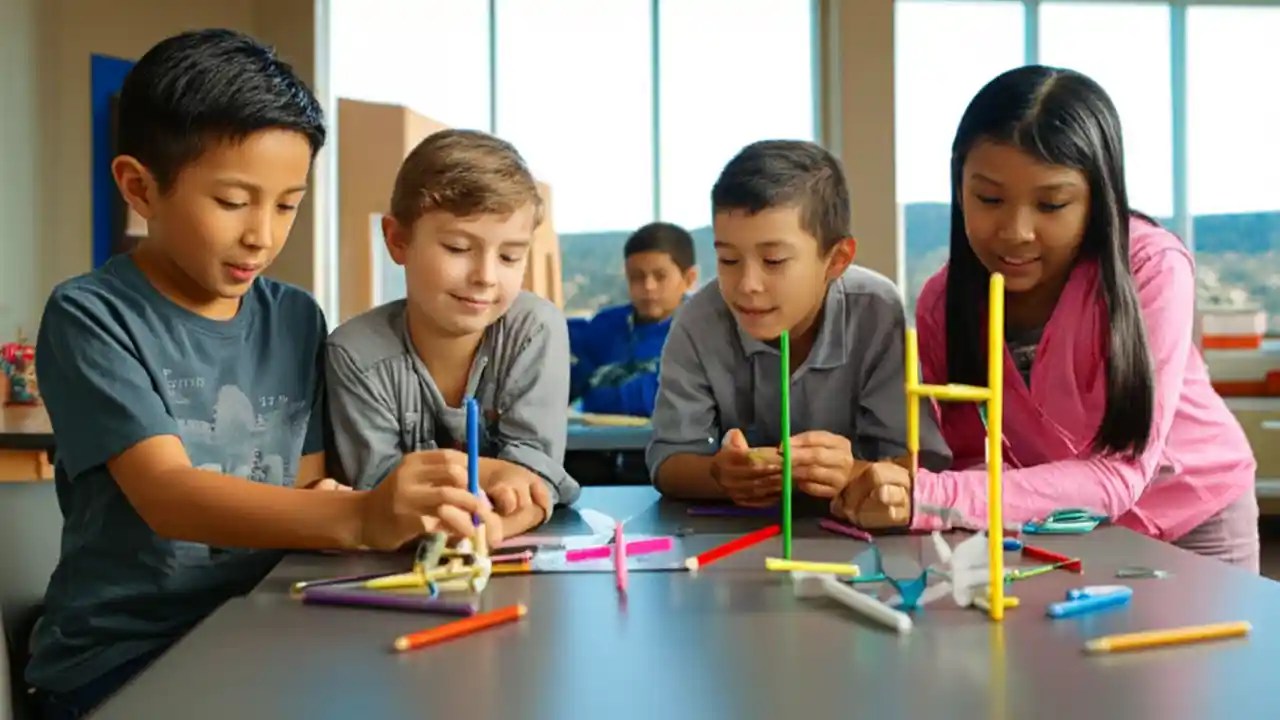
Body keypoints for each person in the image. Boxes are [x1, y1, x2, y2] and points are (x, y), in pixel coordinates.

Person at [26, 29, 500, 720]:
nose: (263, 235)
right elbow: (168, 496)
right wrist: (362, 514)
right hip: (125, 659)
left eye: (287, 204)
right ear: (139, 187)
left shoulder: (295, 317)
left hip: (266, 628)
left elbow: (304, 490)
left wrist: (410, 516)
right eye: (231, 201)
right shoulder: (91, 315)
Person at [835, 65, 1260, 571]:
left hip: (1193, 512)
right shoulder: (942, 302)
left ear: (1097, 198)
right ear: (959, 185)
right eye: (989, 198)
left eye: (1052, 204)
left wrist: (928, 496)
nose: (1016, 231)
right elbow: (973, 459)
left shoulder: (1151, 267)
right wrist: (892, 487)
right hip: (1054, 522)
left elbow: (1119, 473)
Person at [646, 139, 951, 508]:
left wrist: (852, 472)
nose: (747, 284)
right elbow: (668, 462)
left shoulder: (875, 311)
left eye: (773, 260)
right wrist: (718, 475)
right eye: (728, 260)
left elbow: (923, 467)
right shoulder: (699, 320)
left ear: (836, 259)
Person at [326, 129, 581, 539]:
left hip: (504, 550)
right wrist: (494, 477)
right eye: (459, 248)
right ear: (397, 240)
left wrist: (494, 528)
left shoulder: (534, 329)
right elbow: (382, 496)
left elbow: (536, 477)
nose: (485, 276)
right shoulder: (355, 354)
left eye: (509, 256)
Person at [569, 221, 698, 417]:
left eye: (660, 276)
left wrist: (600, 394)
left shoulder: (706, 334)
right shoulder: (605, 327)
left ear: (689, 279)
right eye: (636, 277)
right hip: (601, 436)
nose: (648, 286)